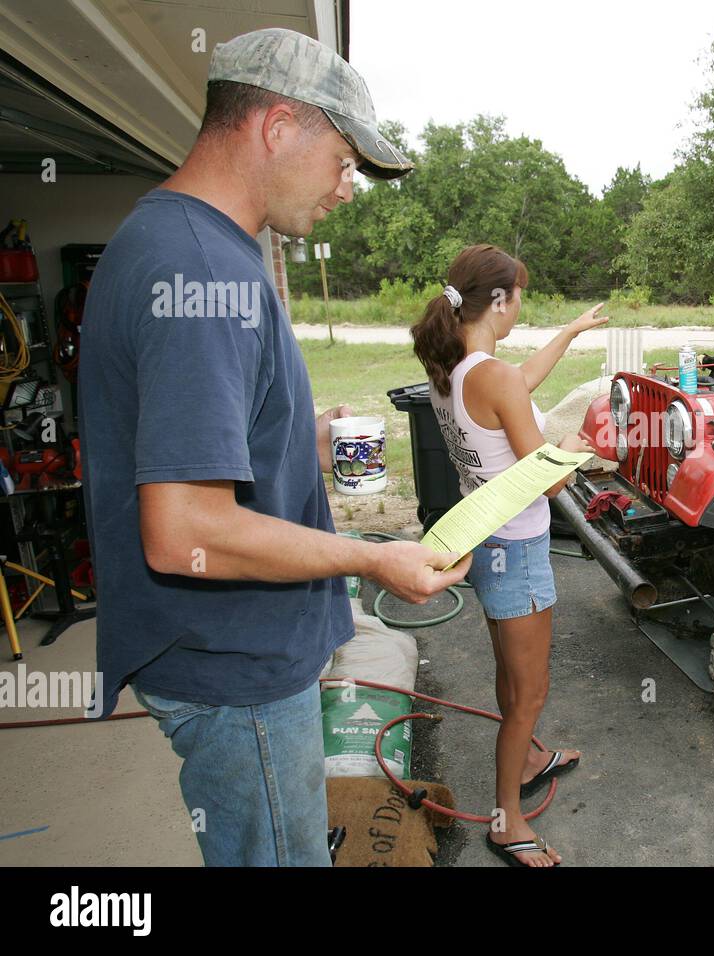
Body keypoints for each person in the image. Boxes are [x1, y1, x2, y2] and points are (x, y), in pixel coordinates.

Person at [79, 28, 468, 867]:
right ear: (277, 125)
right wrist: (371, 560)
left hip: (228, 654)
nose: (349, 187)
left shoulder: (186, 244)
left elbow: (189, 437)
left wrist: (303, 433)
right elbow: (185, 530)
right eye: (344, 158)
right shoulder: (200, 271)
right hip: (236, 669)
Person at [412, 244, 604, 867]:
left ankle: (524, 759)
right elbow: (547, 480)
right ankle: (506, 820)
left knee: (510, 672)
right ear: (499, 300)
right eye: (520, 295)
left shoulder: (457, 370)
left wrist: (570, 333)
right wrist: (580, 443)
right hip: (518, 548)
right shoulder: (488, 375)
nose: (523, 306)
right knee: (530, 693)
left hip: (486, 539)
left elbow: (518, 384)